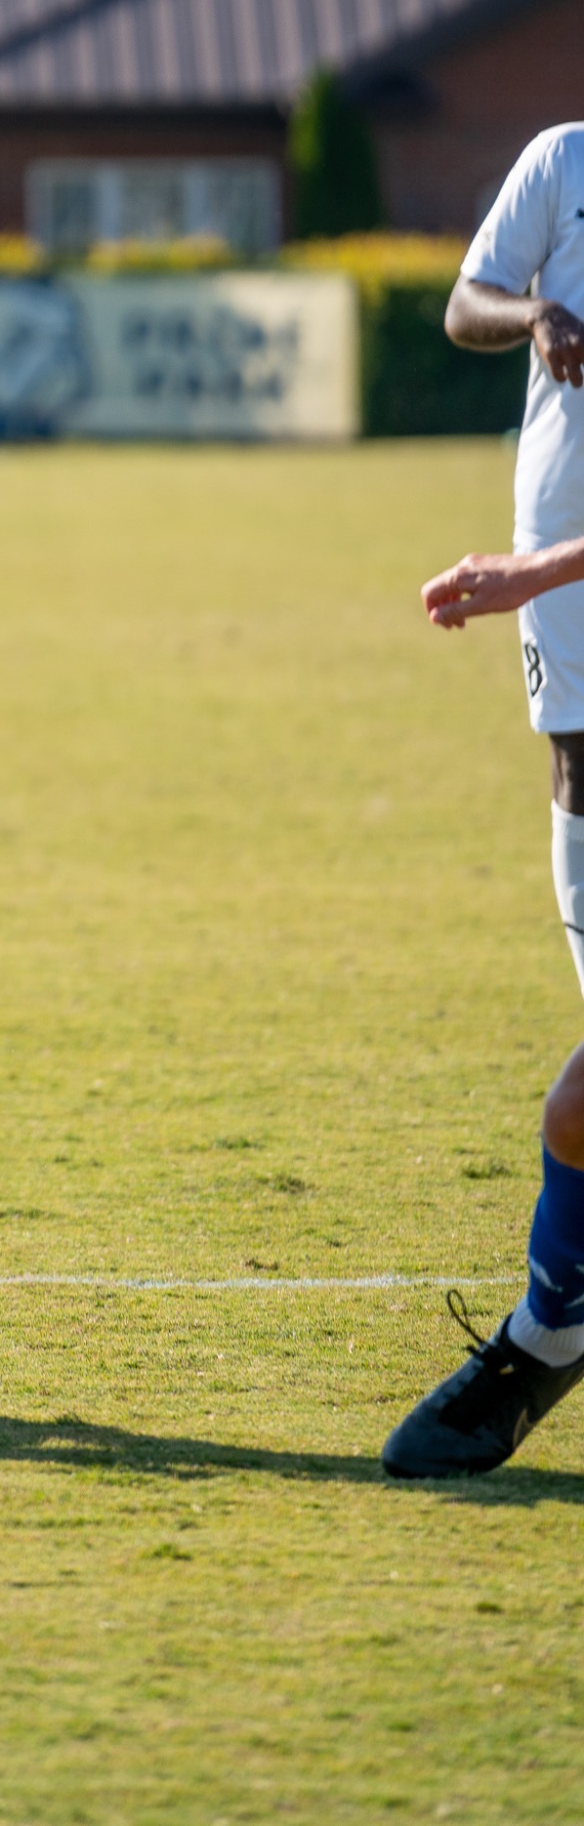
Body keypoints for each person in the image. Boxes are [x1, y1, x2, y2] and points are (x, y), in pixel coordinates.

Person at [384, 123, 584, 1477]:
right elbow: (465, 301)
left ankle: (548, 1325)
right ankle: (556, 1319)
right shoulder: (565, 161)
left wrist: (532, 571)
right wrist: (536, 313)